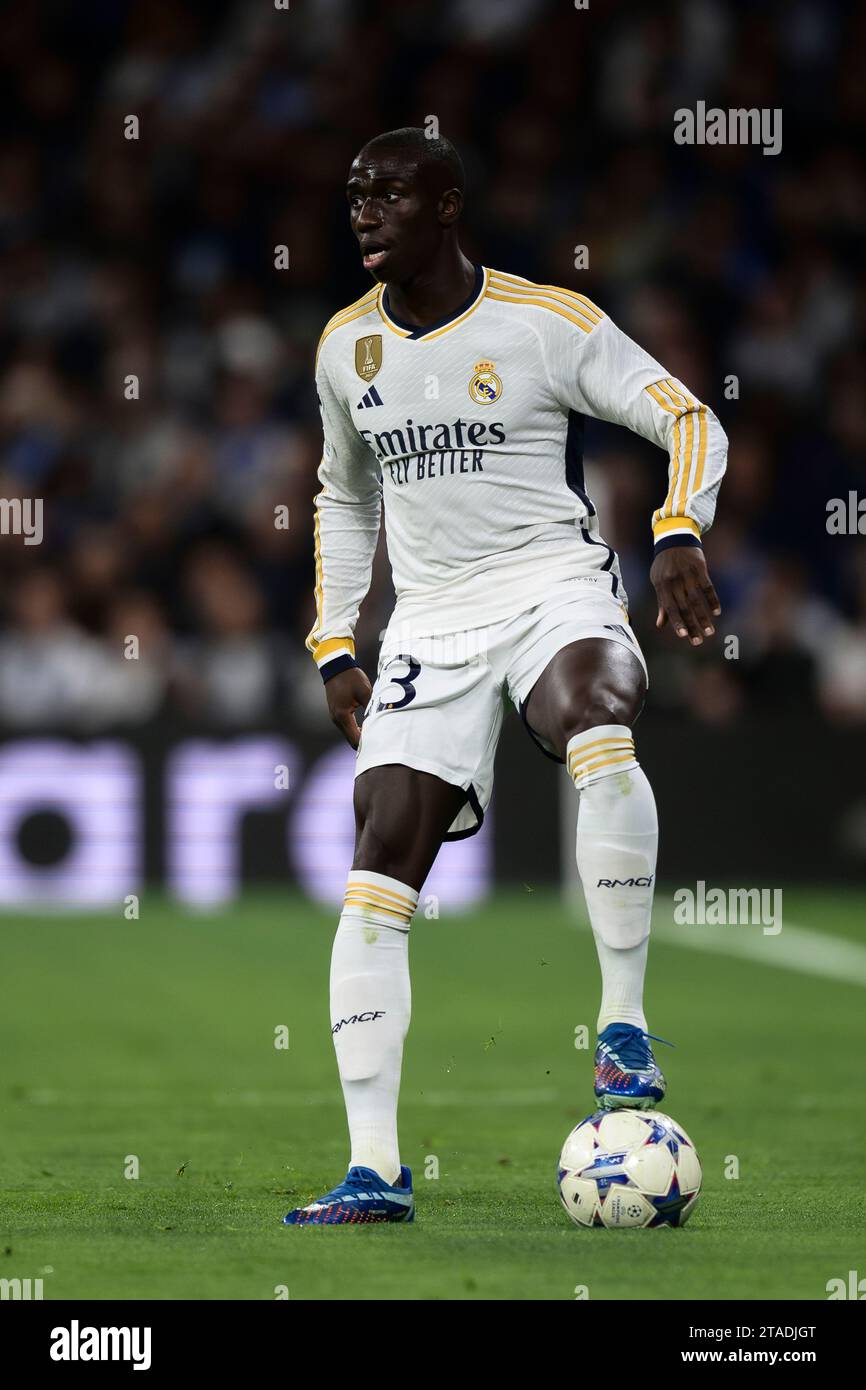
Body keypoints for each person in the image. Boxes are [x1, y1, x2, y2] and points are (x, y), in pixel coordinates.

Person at [284, 128, 727, 1226]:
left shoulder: (541, 322)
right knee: (379, 851)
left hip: (548, 585)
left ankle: (620, 1029)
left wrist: (676, 530)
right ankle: (375, 1170)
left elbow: (685, 414)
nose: (364, 212)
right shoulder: (345, 349)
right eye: (353, 196)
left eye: (388, 193)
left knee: (596, 717)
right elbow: (343, 498)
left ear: (446, 205)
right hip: (430, 618)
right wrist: (337, 641)